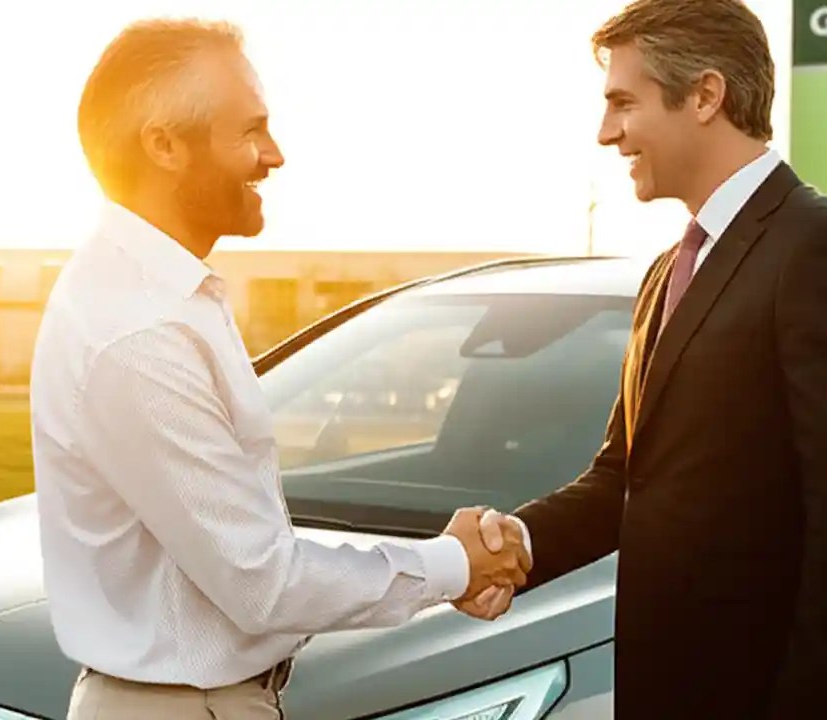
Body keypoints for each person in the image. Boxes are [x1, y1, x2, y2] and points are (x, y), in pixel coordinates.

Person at [29, 19, 530, 720]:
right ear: (164, 145)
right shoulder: (140, 330)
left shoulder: (160, 296)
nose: (275, 155)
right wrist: (452, 565)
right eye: (250, 130)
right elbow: (260, 578)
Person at [460, 1, 827, 717]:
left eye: (622, 103)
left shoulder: (824, 250)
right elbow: (627, 477)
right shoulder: (668, 271)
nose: (606, 133)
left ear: (705, 95)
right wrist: (517, 542)